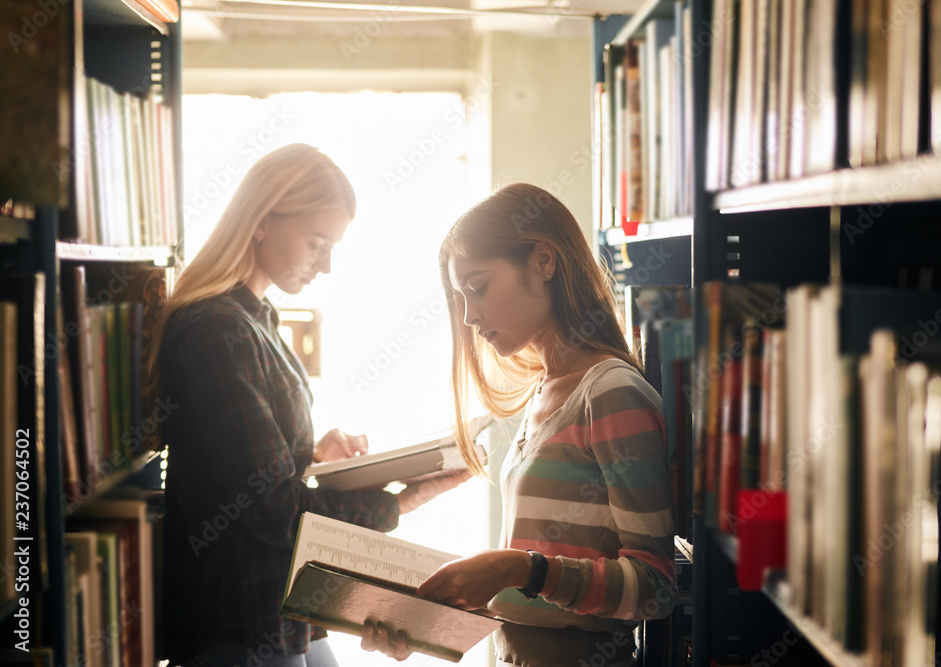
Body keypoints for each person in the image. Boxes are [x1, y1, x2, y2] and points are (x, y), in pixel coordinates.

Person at [150, 143, 466, 667]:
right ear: (260, 222)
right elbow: (269, 507)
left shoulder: (257, 317)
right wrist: (399, 502)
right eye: (317, 242)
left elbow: (249, 466)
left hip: (284, 610)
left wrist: (314, 456)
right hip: (240, 623)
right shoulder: (216, 326)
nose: (325, 265)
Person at [362, 183, 677, 666]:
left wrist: (521, 569)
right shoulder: (545, 391)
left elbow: (654, 588)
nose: (469, 316)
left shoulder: (611, 393)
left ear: (543, 261)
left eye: (478, 286)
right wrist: (425, 618)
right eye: (460, 297)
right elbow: (538, 593)